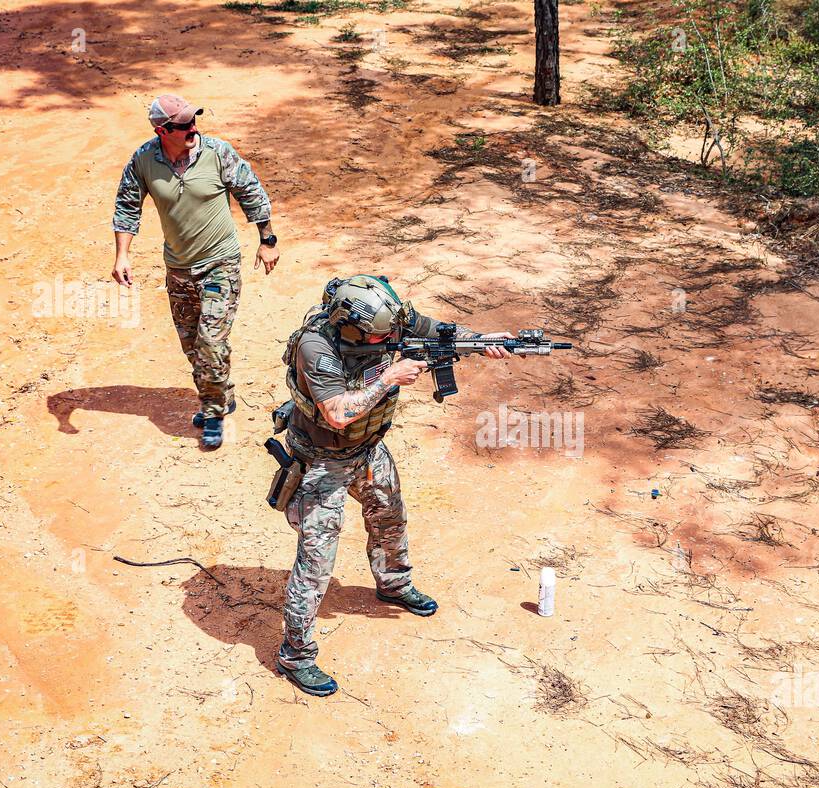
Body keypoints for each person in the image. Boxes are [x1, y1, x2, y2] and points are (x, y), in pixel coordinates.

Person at [276, 275, 518, 696]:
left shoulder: (390, 317)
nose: (393, 336)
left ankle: (394, 584)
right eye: (383, 335)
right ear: (349, 325)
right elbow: (337, 413)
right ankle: (295, 655)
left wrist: (481, 340)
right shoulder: (315, 347)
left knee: (389, 520)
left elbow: (439, 333)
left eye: (394, 329)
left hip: (368, 450)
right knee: (316, 561)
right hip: (321, 461)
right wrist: (390, 377)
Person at [111, 94, 278, 448]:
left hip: (220, 264)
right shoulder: (143, 161)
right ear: (162, 130)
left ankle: (214, 411)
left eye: (193, 121)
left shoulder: (217, 153)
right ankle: (221, 392)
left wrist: (267, 240)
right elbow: (127, 206)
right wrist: (122, 255)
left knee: (211, 341)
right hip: (179, 270)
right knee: (192, 345)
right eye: (183, 124)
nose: (193, 128)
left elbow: (251, 192)